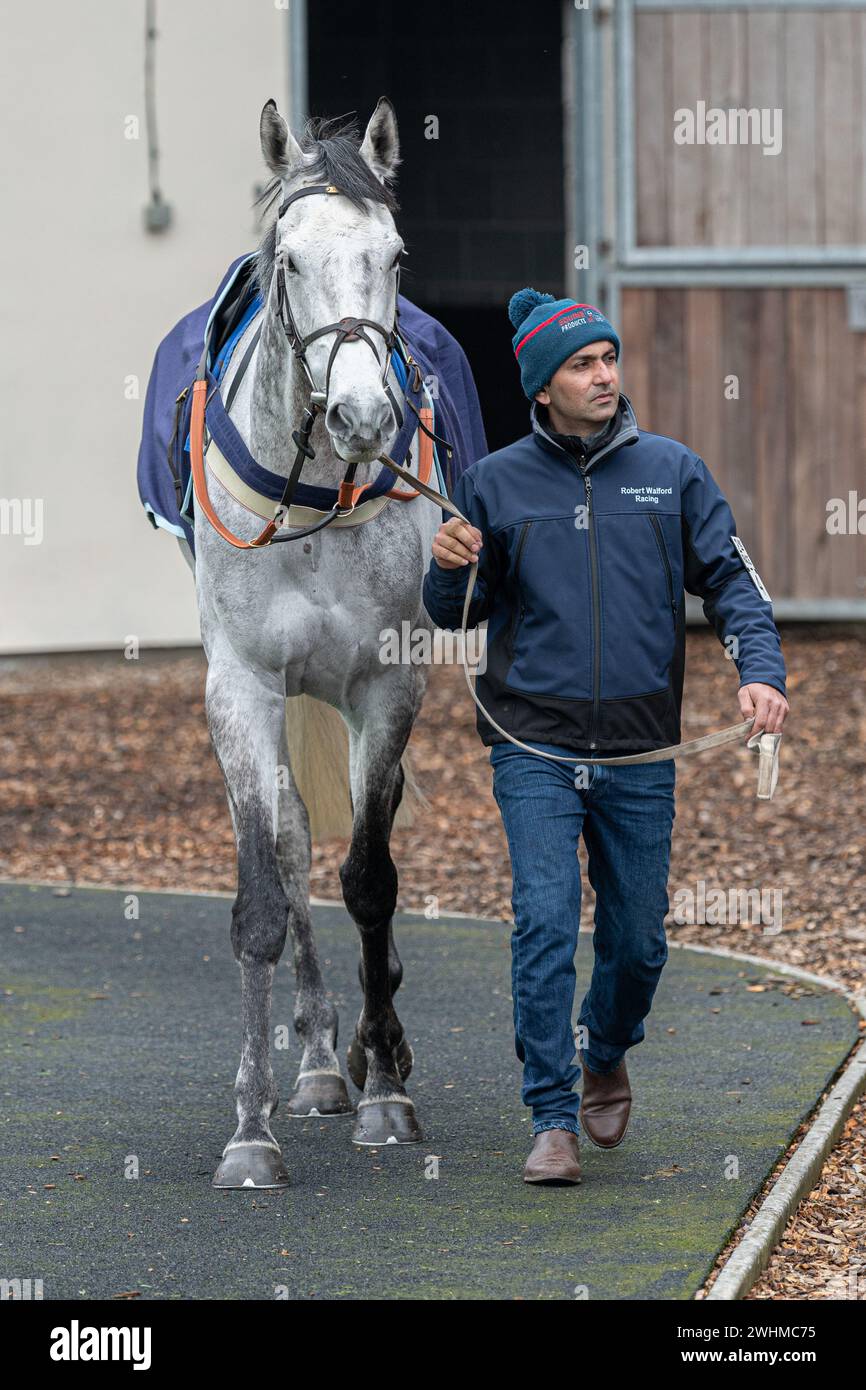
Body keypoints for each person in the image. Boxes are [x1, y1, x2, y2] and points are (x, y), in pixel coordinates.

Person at [421, 288, 789, 1186]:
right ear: (542, 387)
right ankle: (550, 1117)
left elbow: (734, 585)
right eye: (583, 365)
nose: (604, 376)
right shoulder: (494, 483)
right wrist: (444, 568)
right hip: (533, 745)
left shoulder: (673, 470)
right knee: (544, 921)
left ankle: (607, 1047)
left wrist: (761, 672)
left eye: (608, 360)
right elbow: (455, 617)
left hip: (639, 751)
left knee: (639, 940)